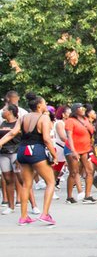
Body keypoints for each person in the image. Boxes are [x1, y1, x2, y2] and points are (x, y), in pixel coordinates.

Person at [0, 92, 58, 225]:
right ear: (39, 106)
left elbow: (12, 133)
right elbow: (46, 139)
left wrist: (0, 142)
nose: (46, 105)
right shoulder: (44, 118)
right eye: (44, 103)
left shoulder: (23, 117)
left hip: (22, 151)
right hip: (36, 150)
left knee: (26, 184)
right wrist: (54, 156)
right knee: (50, 182)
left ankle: (23, 217)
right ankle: (45, 214)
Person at [65, 103, 96, 204]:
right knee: (74, 172)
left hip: (85, 149)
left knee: (89, 171)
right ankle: (69, 197)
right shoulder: (70, 121)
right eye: (80, 108)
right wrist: (73, 150)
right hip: (73, 149)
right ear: (75, 110)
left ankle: (88, 195)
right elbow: (69, 136)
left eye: (83, 108)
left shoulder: (86, 119)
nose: (83, 109)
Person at [0, 104, 20, 215]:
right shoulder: (3, 123)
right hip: (4, 153)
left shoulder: (18, 123)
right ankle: (10, 206)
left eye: (4, 110)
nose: (2, 112)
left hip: (16, 152)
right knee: (8, 179)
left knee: (21, 179)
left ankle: (32, 205)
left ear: (11, 111)